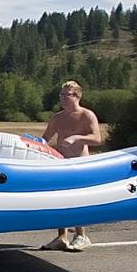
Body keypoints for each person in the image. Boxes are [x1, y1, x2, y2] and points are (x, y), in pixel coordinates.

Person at [39, 81, 103, 251]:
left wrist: (77, 138)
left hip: (80, 163)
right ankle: (62, 236)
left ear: (77, 96)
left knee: (78, 199)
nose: (62, 98)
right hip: (61, 163)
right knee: (60, 200)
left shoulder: (87, 115)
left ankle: (81, 235)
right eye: (61, 95)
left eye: (66, 95)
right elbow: (44, 139)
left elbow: (97, 138)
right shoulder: (57, 118)